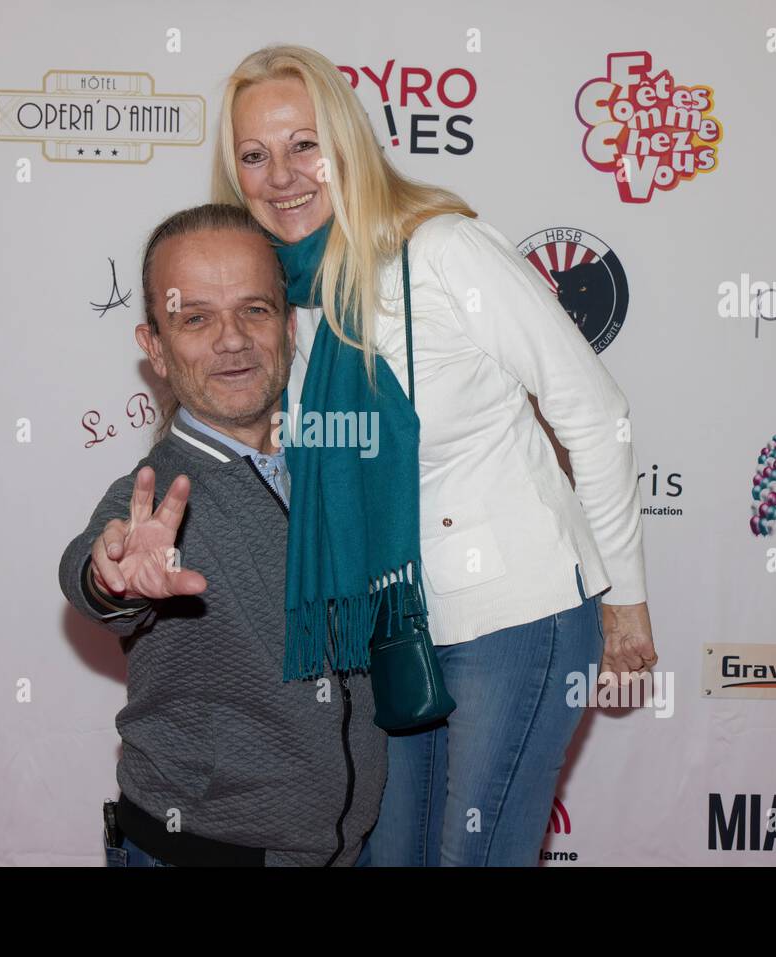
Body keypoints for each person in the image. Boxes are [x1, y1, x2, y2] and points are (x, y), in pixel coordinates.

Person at [210, 44, 659, 866]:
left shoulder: (444, 252)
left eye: (303, 144)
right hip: (393, 629)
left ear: (346, 143)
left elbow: (595, 413)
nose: (282, 175)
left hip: (515, 616)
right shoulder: (280, 303)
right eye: (254, 154)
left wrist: (624, 599)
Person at [57, 203, 387, 867]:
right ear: (154, 345)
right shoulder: (158, 496)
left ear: (289, 327)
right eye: (196, 317)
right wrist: (111, 574)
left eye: (255, 310)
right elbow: (93, 569)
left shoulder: (338, 466)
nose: (232, 339)